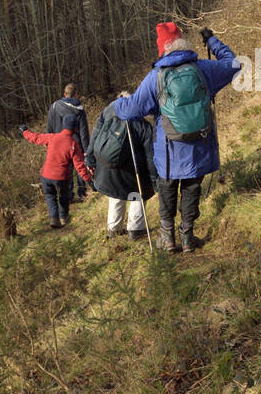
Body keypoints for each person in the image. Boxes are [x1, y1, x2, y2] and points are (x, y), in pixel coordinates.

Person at [113, 22, 240, 253]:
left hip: (169, 151)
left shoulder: (156, 77)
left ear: (162, 48)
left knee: (167, 188)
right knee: (192, 188)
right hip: (199, 146)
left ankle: (168, 239)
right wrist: (212, 41)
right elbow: (233, 64)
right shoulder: (203, 69)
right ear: (182, 42)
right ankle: (188, 237)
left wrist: (120, 101)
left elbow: (130, 110)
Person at [85, 92, 158, 241]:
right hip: (133, 171)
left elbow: (95, 136)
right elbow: (150, 155)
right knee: (139, 191)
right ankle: (136, 229)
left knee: (115, 193)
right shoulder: (143, 125)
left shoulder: (106, 113)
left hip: (107, 167)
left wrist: (90, 159)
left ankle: (113, 229)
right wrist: (154, 179)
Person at [20, 122, 94, 230]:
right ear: (75, 129)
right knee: (64, 195)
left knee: (50, 196)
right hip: (62, 177)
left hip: (46, 175)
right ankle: (63, 217)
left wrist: (25, 131)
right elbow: (79, 166)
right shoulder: (73, 144)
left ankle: (54, 218)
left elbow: (35, 138)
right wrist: (89, 181)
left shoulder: (52, 137)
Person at [47, 83, 90, 201]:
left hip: (58, 145)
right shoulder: (79, 109)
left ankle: (68, 196)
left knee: (65, 171)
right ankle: (82, 192)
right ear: (76, 95)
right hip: (75, 144)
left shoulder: (54, 106)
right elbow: (84, 131)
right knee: (80, 167)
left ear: (64, 94)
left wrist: (49, 145)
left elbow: (49, 128)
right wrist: (86, 150)